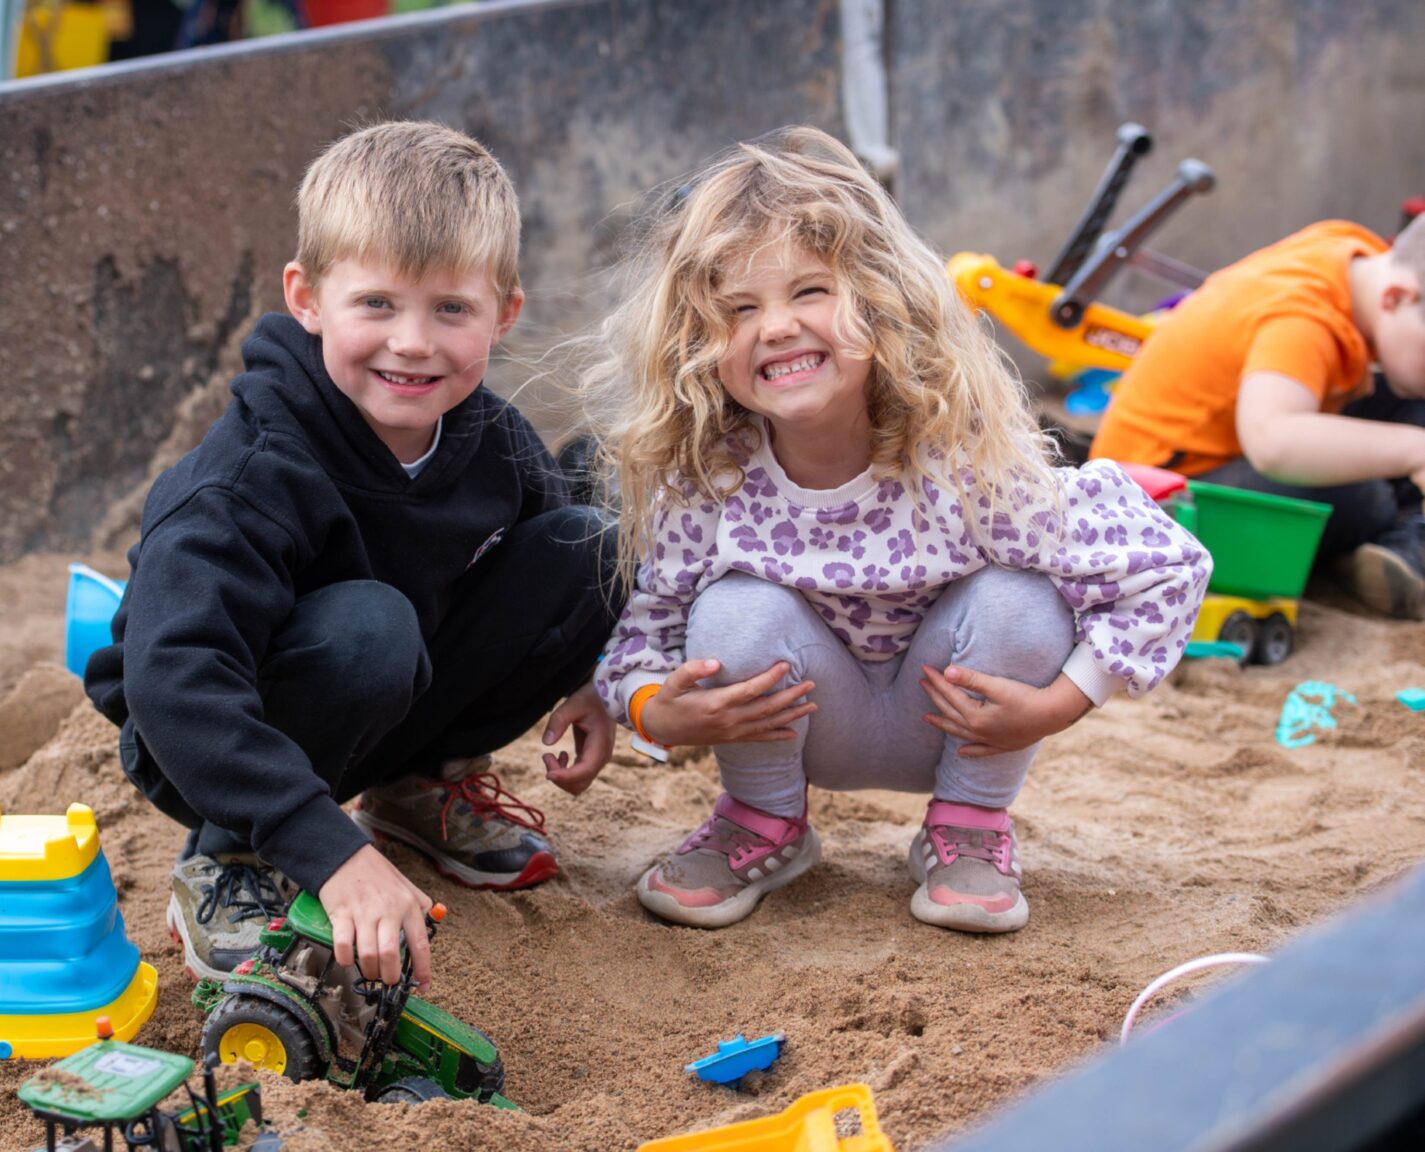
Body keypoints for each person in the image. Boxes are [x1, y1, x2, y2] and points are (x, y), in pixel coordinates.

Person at [583, 126, 1210, 934]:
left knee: (1018, 598)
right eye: (737, 309)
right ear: (696, 345)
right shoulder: (709, 478)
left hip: (956, 723)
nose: (775, 327)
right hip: (798, 725)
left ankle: (969, 826)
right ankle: (761, 822)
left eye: (810, 290)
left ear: (879, 303)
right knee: (733, 610)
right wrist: (653, 712)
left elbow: (1167, 566)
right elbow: (644, 635)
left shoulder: (966, 463)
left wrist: (1058, 705)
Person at [85, 121, 621, 989]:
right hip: (209, 738)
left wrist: (595, 674)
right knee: (371, 626)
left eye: (451, 309)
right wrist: (327, 850)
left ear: (504, 313)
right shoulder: (249, 473)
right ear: (307, 298)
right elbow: (175, 680)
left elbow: (551, 565)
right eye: (376, 304)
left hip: (390, 702)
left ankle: (417, 788)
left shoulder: (491, 436)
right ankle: (232, 856)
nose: (411, 341)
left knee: (587, 542)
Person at [1090, 217, 1425, 618]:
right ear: (1395, 297)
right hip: (1156, 498)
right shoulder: (1301, 318)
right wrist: (1413, 450)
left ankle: (1402, 549)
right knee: (1366, 498)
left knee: (1405, 409)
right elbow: (1273, 441)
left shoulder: (1353, 253)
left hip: (1228, 440)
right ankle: (1393, 537)